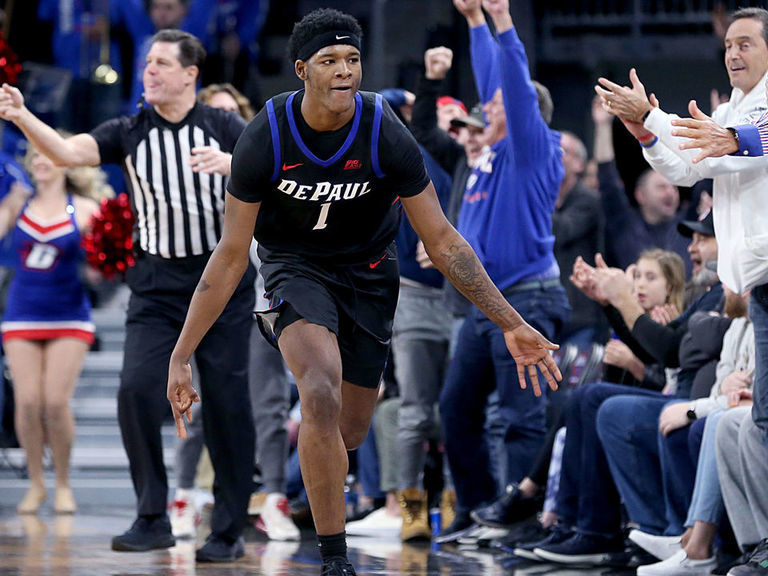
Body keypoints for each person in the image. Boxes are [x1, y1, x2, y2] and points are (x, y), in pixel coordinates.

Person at [164, 7, 561, 576]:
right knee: (318, 392)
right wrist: (181, 356)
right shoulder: (267, 135)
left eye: (352, 59)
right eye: (329, 61)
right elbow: (228, 257)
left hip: (371, 276)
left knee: (348, 429)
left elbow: (444, 241)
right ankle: (335, 560)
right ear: (302, 69)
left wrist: (510, 321)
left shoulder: (382, 130)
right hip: (293, 270)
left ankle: (332, 486)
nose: (345, 70)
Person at [0, 29, 256, 562]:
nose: (150, 71)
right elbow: (69, 152)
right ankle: (151, 515)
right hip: (156, 286)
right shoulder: (129, 129)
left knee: (229, 406)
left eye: (162, 63)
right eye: (148, 62)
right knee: (135, 392)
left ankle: (227, 530)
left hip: (222, 285)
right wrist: (23, 116)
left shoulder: (224, 125)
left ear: (191, 74)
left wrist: (235, 165)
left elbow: (275, 169)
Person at [596, 9, 768, 574]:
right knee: (762, 423)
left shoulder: (750, 117)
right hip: (758, 288)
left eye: (745, 43)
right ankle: (755, 546)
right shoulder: (729, 111)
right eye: (728, 45)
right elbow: (687, 165)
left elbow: (752, 141)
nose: (733, 53)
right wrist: (646, 128)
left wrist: (725, 135)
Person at [437, 0, 571, 540]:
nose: (484, 111)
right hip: (485, 307)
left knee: (520, 419)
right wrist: (473, 21)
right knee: (456, 412)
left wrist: (502, 20)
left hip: (528, 302)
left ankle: (521, 524)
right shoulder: (487, 157)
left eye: (496, 107)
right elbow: (495, 81)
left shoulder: (533, 151)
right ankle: (479, 513)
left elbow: (510, 85)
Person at [0, 142, 108, 515]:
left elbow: (100, 269)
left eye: (49, 155)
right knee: (28, 402)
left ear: (66, 162)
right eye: (36, 158)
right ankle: (36, 484)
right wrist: (9, 203)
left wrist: (104, 261)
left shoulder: (85, 209)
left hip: (69, 315)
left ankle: (62, 483)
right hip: (21, 313)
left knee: (54, 401)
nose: (41, 162)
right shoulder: (18, 204)